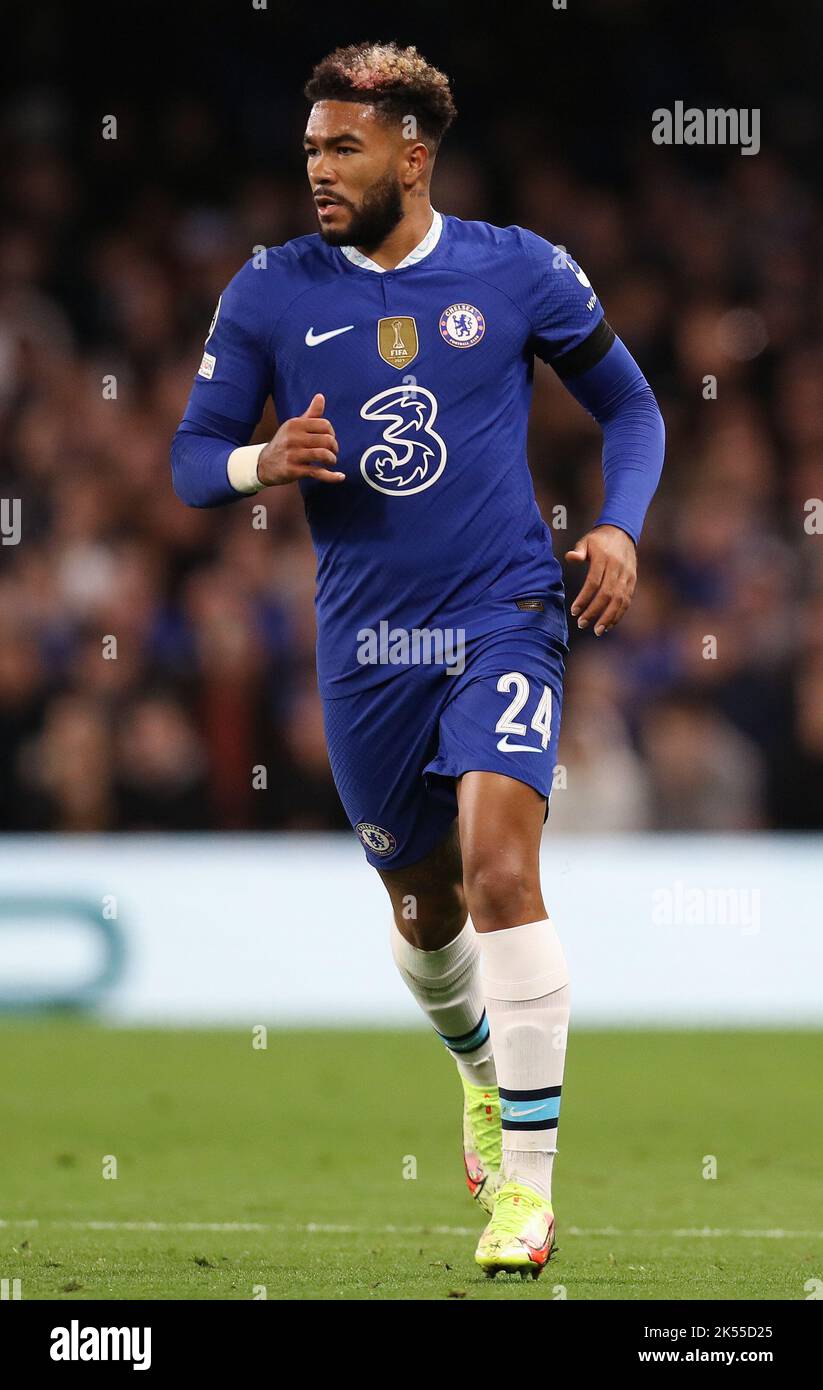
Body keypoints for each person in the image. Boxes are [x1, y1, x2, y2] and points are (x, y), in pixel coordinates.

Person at [171, 41, 665, 1278]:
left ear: (411, 152)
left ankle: (528, 1195)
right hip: (369, 647)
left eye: (343, 148)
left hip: (505, 611)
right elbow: (189, 461)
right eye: (309, 151)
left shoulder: (518, 270)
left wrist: (615, 524)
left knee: (503, 870)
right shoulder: (270, 292)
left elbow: (636, 410)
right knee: (424, 909)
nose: (319, 171)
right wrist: (260, 464)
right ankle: (475, 1069)